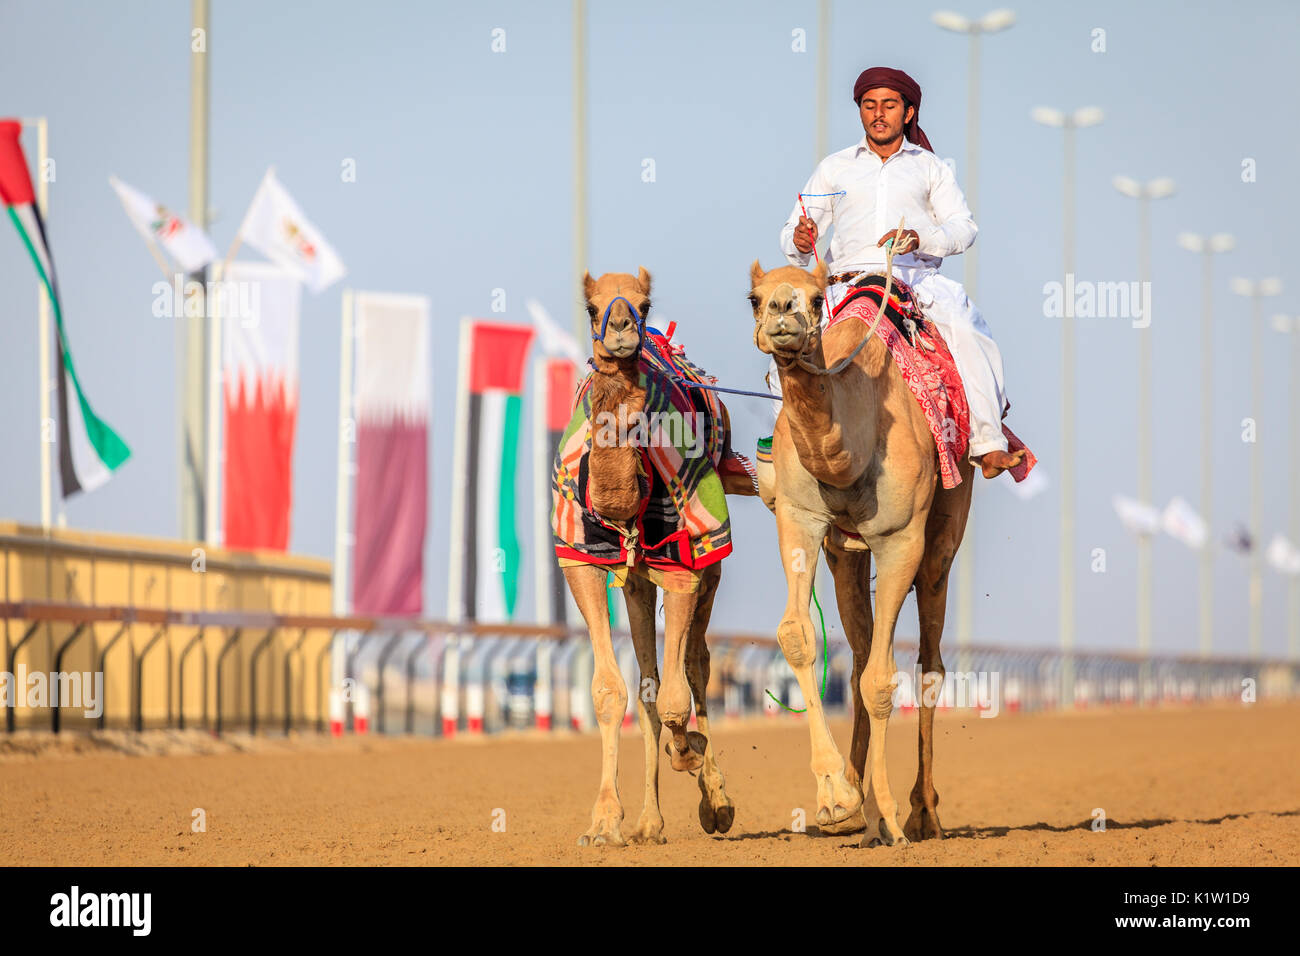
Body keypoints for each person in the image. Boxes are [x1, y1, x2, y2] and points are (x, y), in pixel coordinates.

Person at [772, 65, 1024, 478]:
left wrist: (919, 238)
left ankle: (987, 442)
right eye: (869, 105)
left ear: (907, 112)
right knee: (783, 340)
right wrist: (798, 241)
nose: (878, 114)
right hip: (843, 284)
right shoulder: (834, 167)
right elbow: (793, 229)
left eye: (889, 105)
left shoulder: (931, 168)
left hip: (912, 282)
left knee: (966, 330)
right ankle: (777, 454)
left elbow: (964, 228)